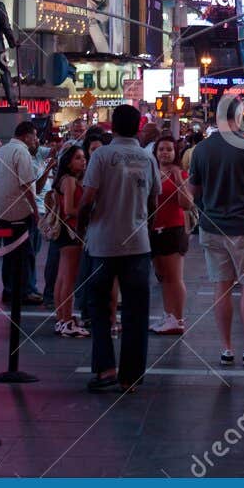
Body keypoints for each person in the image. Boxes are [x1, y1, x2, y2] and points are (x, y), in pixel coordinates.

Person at [79, 106, 159, 392]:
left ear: (112, 127)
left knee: (99, 307)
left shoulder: (101, 155)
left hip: (103, 243)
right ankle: (131, 376)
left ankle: (106, 369)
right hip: (138, 244)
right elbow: (153, 202)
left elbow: (88, 198)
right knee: (137, 311)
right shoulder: (147, 158)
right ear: (139, 126)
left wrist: (82, 223)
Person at [188, 126, 244, 365]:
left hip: (212, 226)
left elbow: (193, 190)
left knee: (221, 286)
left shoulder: (202, 149)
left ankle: (226, 348)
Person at [0, 120, 42, 308]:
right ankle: (26, 291)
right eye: (34, 136)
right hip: (21, 211)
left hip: (2, 211)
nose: (36, 140)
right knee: (26, 253)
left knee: (9, 253)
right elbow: (26, 185)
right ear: (26, 136)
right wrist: (35, 210)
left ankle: (9, 290)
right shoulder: (21, 152)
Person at [149, 134, 194, 337]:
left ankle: (178, 318)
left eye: (169, 149)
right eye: (161, 149)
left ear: (175, 153)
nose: (165, 153)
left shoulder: (181, 174)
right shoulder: (151, 172)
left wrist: (177, 179)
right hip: (153, 230)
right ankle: (169, 316)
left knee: (175, 277)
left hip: (173, 229)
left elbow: (186, 203)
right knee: (164, 277)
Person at [45, 143, 88, 338]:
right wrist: (89, 213)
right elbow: (70, 209)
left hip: (63, 231)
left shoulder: (62, 179)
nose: (83, 161)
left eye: (84, 157)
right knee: (69, 278)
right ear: (68, 162)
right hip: (72, 230)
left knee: (62, 277)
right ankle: (67, 319)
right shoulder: (70, 181)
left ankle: (62, 319)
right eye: (78, 157)